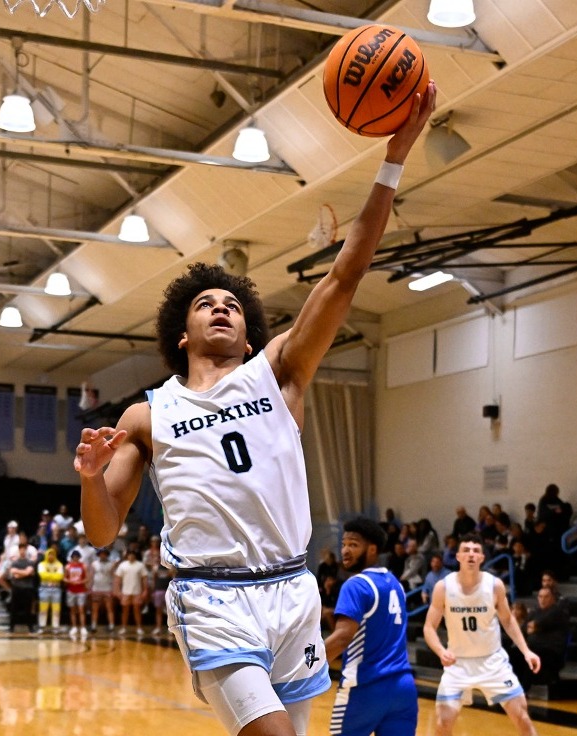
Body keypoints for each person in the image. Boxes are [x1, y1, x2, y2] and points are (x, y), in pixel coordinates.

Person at [73, 83, 436, 736]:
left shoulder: (280, 373)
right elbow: (102, 532)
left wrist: (395, 157)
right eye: (206, 302)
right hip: (210, 596)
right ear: (182, 334)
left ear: (248, 331)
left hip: (292, 591)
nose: (221, 306)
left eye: (233, 304)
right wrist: (91, 479)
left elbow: (345, 274)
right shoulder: (147, 415)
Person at [423, 535, 541, 736]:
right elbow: (428, 627)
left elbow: (508, 620)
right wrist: (441, 651)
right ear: (458, 556)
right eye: (466, 550)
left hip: (492, 661)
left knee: (521, 716)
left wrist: (526, 651)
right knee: (443, 723)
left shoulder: (494, 585)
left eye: (476, 551)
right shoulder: (443, 587)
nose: (471, 554)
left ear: (482, 558)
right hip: (457, 664)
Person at [323, 518, 417, 736]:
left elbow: (342, 638)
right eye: (344, 544)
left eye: (354, 545)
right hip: (403, 688)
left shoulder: (355, 585)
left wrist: (306, 663)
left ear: (372, 549)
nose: (345, 550)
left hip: (364, 688)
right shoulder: (395, 583)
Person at [525, 586, 570, 686]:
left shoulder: (558, 611)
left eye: (546, 597)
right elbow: (524, 628)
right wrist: (533, 627)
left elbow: (542, 622)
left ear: (553, 598)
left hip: (551, 651)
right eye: (540, 596)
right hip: (534, 648)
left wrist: (535, 626)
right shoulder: (534, 612)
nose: (543, 599)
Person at [114, 548, 147, 636]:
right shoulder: (122, 565)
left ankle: (139, 627)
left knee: (137, 610)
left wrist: (145, 591)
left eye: (133, 554)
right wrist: (117, 590)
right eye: (129, 554)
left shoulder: (140, 565)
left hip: (137, 591)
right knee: (125, 610)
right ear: (127, 556)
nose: (131, 556)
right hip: (125, 591)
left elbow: (144, 579)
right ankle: (123, 627)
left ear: (135, 556)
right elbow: (118, 579)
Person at [6, 547, 36, 633]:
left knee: (28, 609)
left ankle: (31, 628)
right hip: (17, 588)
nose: (22, 551)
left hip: (27, 588)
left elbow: (28, 572)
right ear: (18, 551)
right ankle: (11, 628)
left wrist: (19, 573)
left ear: (26, 551)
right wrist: (25, 573)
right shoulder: (14, 563)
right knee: (14, 609)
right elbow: (14, 574)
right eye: (21, 550)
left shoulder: (30, 562)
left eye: (24, 550)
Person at [36, 546, 64, 633]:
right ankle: (42, 627)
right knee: (43, 609)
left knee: (56, 609)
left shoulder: (59, 564)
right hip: (44, 588)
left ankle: (55, 627)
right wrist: (53, 575)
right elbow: (42, 575)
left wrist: (49, 575)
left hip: (56, 589)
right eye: (49, 555)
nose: (50, 556)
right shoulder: (41, 564)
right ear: (46, 555)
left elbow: (60, 576)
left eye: (52, 555)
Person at [88, 548, 116, 634]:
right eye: (101, 554)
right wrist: (89, 588)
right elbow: (91, 576)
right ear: (98, 555)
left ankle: (111, 625)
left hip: (107, 589)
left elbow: (114, 577)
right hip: (96, 589)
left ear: (107, 555)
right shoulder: (94, 564)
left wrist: (114, 588)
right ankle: (93, 625)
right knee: (95, 608)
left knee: (109, 608)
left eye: (104, 554)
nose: (102, 555)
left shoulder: (111, 564)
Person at [63, 550, 89, 639]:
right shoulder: (68, 566)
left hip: (81, 590)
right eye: (74, 556)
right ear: (72, 557)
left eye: (77, 556)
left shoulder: (83, 566)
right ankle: (74, 627)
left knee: (81, 609)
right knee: (72, 610)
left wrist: (80, 582)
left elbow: (87, 578)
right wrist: (70, 581)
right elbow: (64, 578)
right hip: (71, 590)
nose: (75, 558)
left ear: (79, 557)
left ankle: (82, 627)